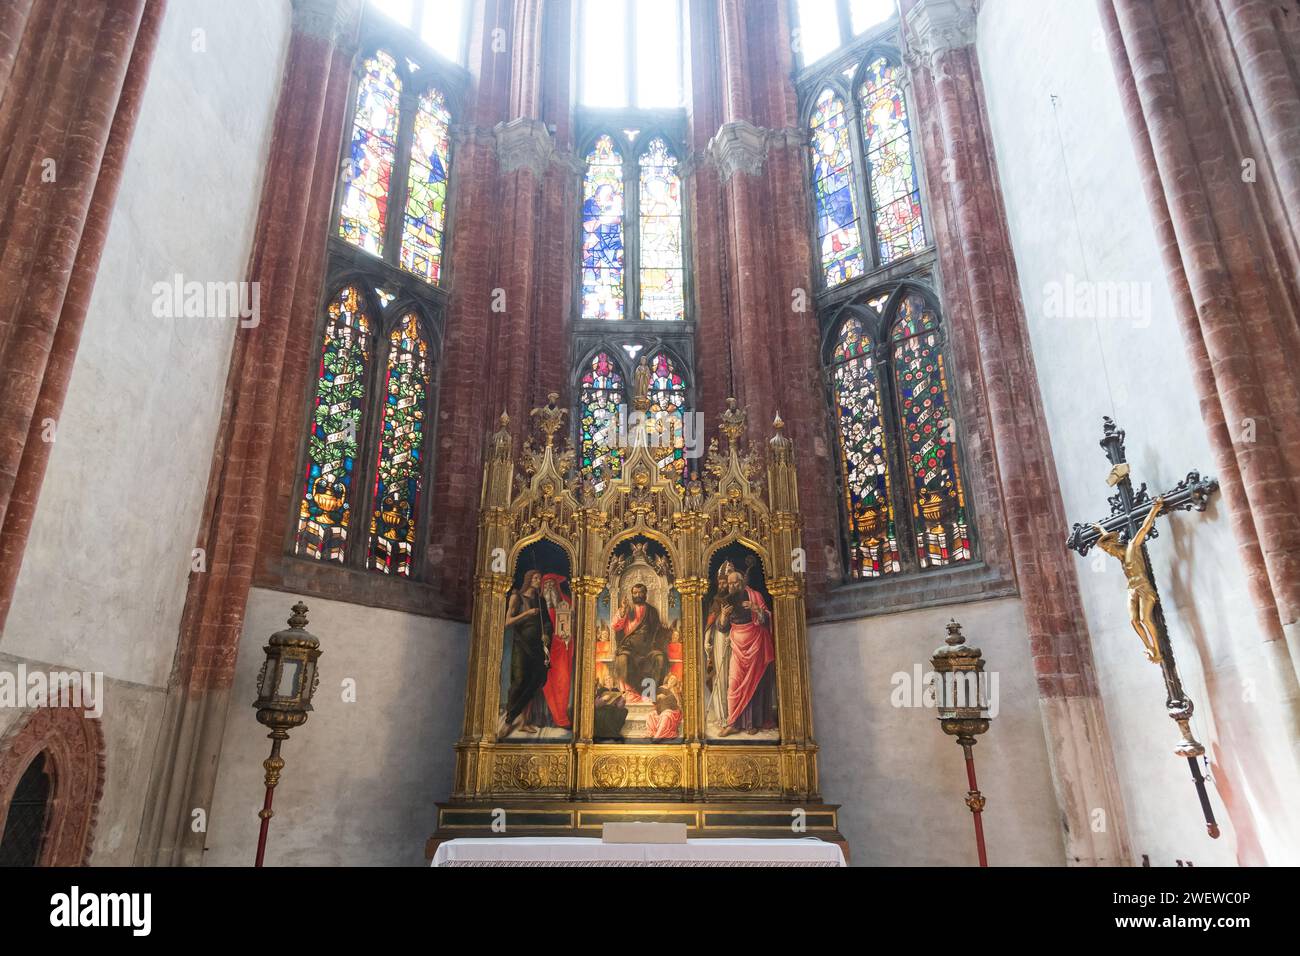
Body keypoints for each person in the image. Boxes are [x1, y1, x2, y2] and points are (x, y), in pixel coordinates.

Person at [718, 570, 777, 736]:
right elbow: (722, 628)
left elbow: (766, 618)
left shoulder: (754, 596)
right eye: (729, 583)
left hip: (755, 643)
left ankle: (752, 723)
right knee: (734, 684)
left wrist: (755, 608)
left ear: (742, 582)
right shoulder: (727, 600)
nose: (732, 586)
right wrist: (723, 616)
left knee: (754, 684)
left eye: (735, 583)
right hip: (738, 645)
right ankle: (733, 723)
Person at [497, 570, 551, 738]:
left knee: (539, 679)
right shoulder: (517, 597)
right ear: (528, 580)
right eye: (535, 578)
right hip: (521, 645)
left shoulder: (540, 600)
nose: (538, 580)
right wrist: (527, 613)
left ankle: (522, 721)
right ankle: (509, 721)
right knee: (519, 681)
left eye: (539, 578)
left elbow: (547, 622)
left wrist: (547, 634)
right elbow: (507, 622)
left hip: (537, 646)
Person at [611, 583, 666, 700]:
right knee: (622, 659)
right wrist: (623, 611)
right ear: (632, 594)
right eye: (635, 593)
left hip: (648, 649)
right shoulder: (626, 609)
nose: (638, 595)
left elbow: (657, 629)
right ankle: (628, 693)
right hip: (629, 648)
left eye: (640, 592)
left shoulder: (652, 611)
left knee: (660, 658)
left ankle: (651, 692)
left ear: (645, 594)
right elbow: (615, 626)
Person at [703, 561, 736, 729]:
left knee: (734, 677)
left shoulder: (738, 598)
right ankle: (722, 715)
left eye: (726, 582)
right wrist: (707, 639)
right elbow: (710, 621)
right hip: (719, 641)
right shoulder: (716, 600)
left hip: (736, 641)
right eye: (720, 582)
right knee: (720, 676)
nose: (722, 585)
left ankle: (734, 716)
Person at [539, 574, 573, 729]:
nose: (549, 588)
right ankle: (549, 717)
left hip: (561, 649)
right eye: (546, 586)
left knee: (562, 680)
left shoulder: (565, 602)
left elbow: (570, 625)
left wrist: (566, 636)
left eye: (552, 585)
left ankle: (560, 716)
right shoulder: (538, 604)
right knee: (544, 682)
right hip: (542, 648)